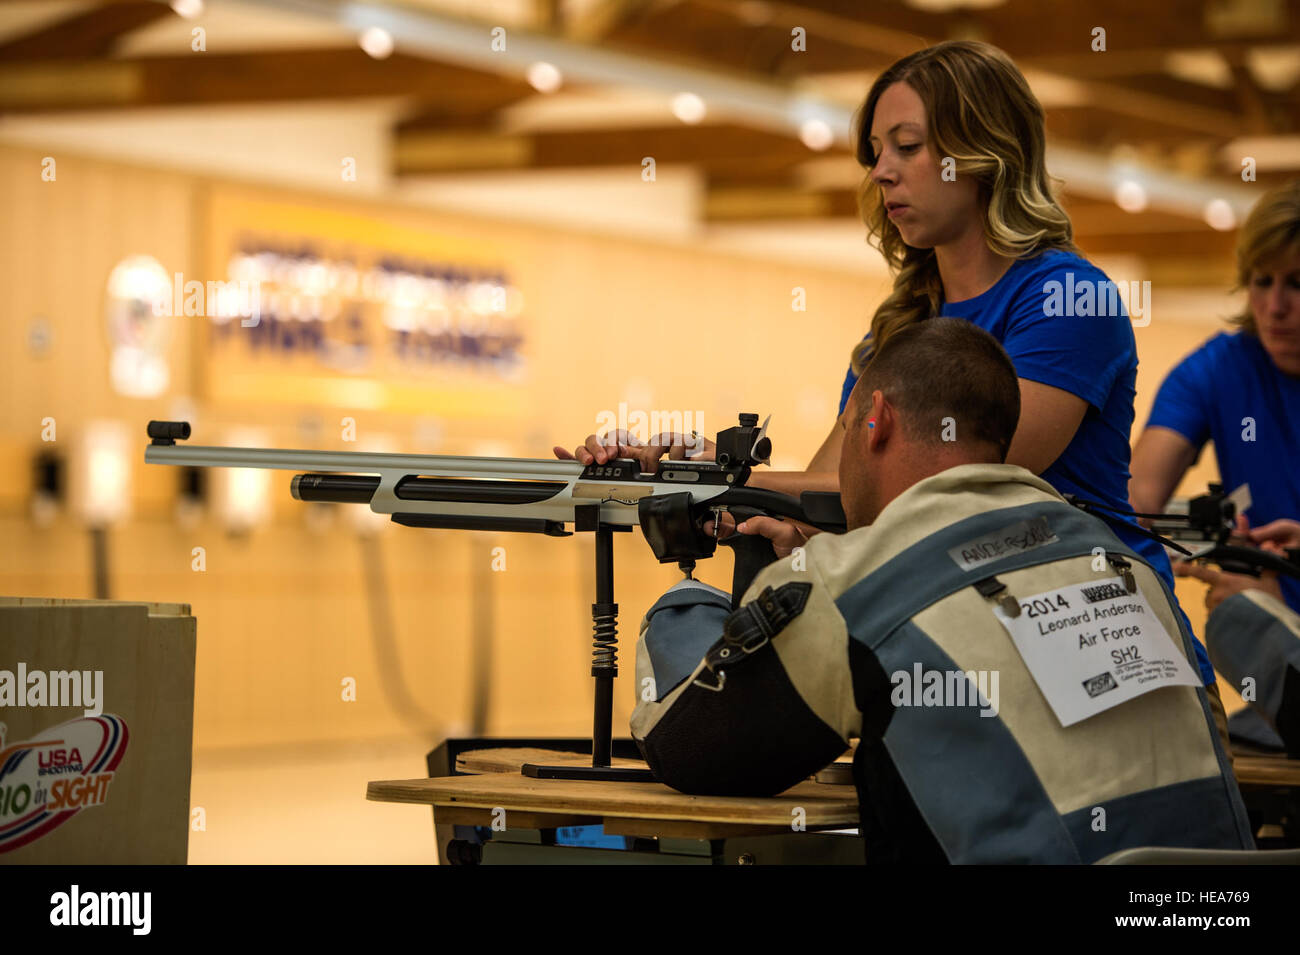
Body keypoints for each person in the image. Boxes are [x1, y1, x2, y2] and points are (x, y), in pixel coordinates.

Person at [556, 40, 1219, 690]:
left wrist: (731, 483)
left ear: (983, 153)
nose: (880, 171)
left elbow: (953, 481)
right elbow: (832, 487)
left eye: (907, 146)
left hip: (1102, 646)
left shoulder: (1069, 300)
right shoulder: (900, 327)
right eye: (875, 153)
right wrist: (700, 477)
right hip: (965, 648)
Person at [631, 319, 1251, 863]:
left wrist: (688, 609)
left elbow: (695, 749)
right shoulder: (1124, 564)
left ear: (876, 420)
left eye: (848, 429)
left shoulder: (850, 583)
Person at [1130, 180, 1300, 618]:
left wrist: (1282, 598)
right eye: (1262, 281)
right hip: (1279, 643)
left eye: (1297, 284)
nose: (1275, 306)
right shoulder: (1218, 367)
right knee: (1236, 618)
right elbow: (1137, 495)